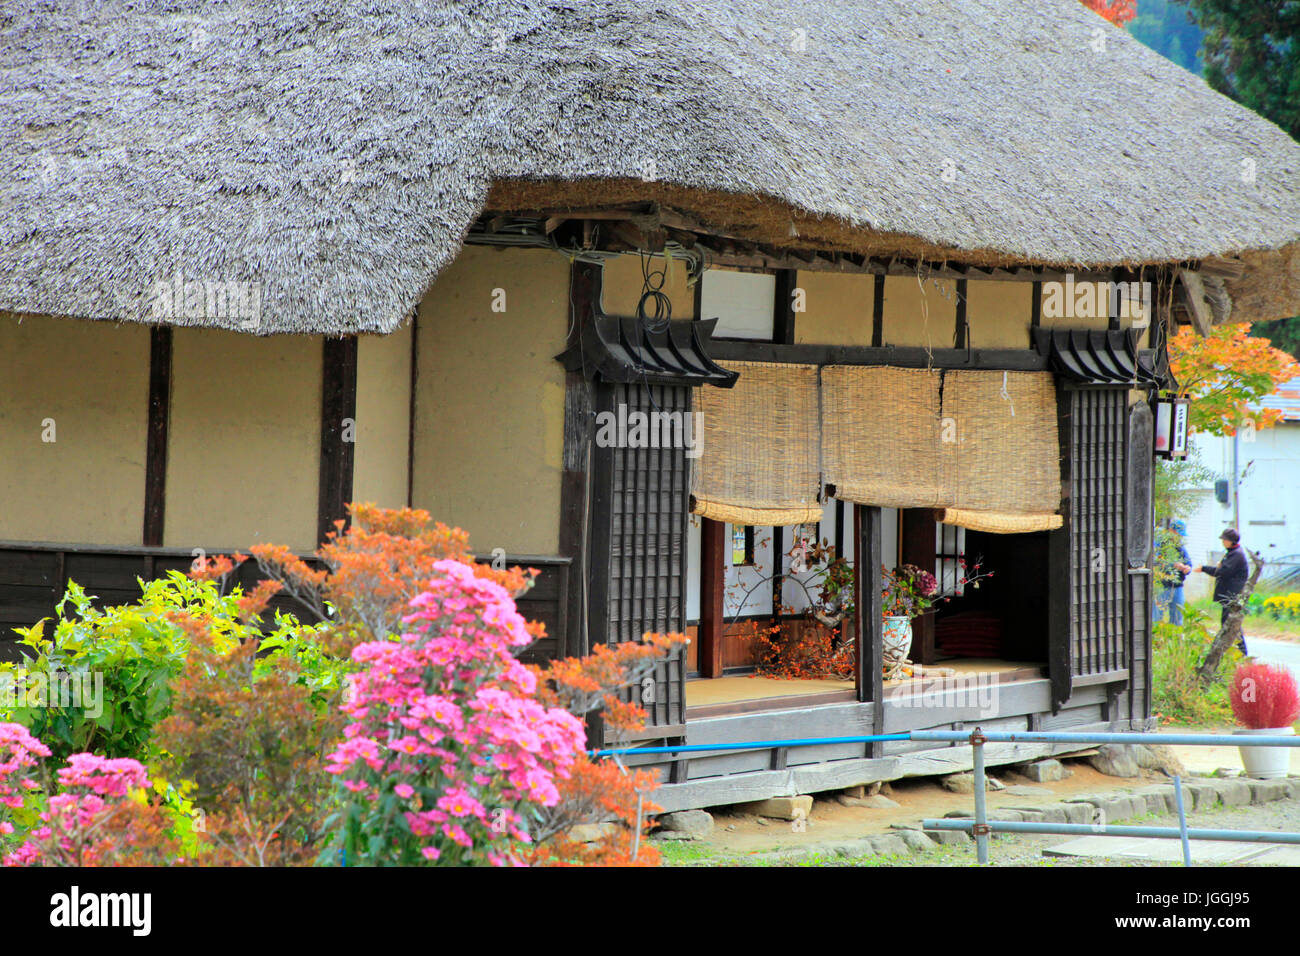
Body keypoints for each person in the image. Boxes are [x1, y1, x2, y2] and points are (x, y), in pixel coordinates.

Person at [1194, 528, 1249, 655]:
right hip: (1228, 595)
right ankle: (1234, 653)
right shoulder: (1232, 553)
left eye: (1225, 539)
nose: (1223, 542)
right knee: (1229, 624)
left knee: (1230, 625)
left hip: (1232, 596)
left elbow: (1223, 572)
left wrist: (1204, 568)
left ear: (1231, 541)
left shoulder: (1236, 554)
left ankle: (1240, 653)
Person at [1154, 520, 1192, 625]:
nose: (1180, 537)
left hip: (1177, 587)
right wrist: (1173, 565)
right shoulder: (1160, 544)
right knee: (1156, 617)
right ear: (1171, 531)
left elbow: (1189, 563)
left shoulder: (1181, 547)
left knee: (1177, 618)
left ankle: (1175, 638)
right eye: (1178, 534)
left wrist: (1187, 568)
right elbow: (1156, 562)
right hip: (1162, 586)